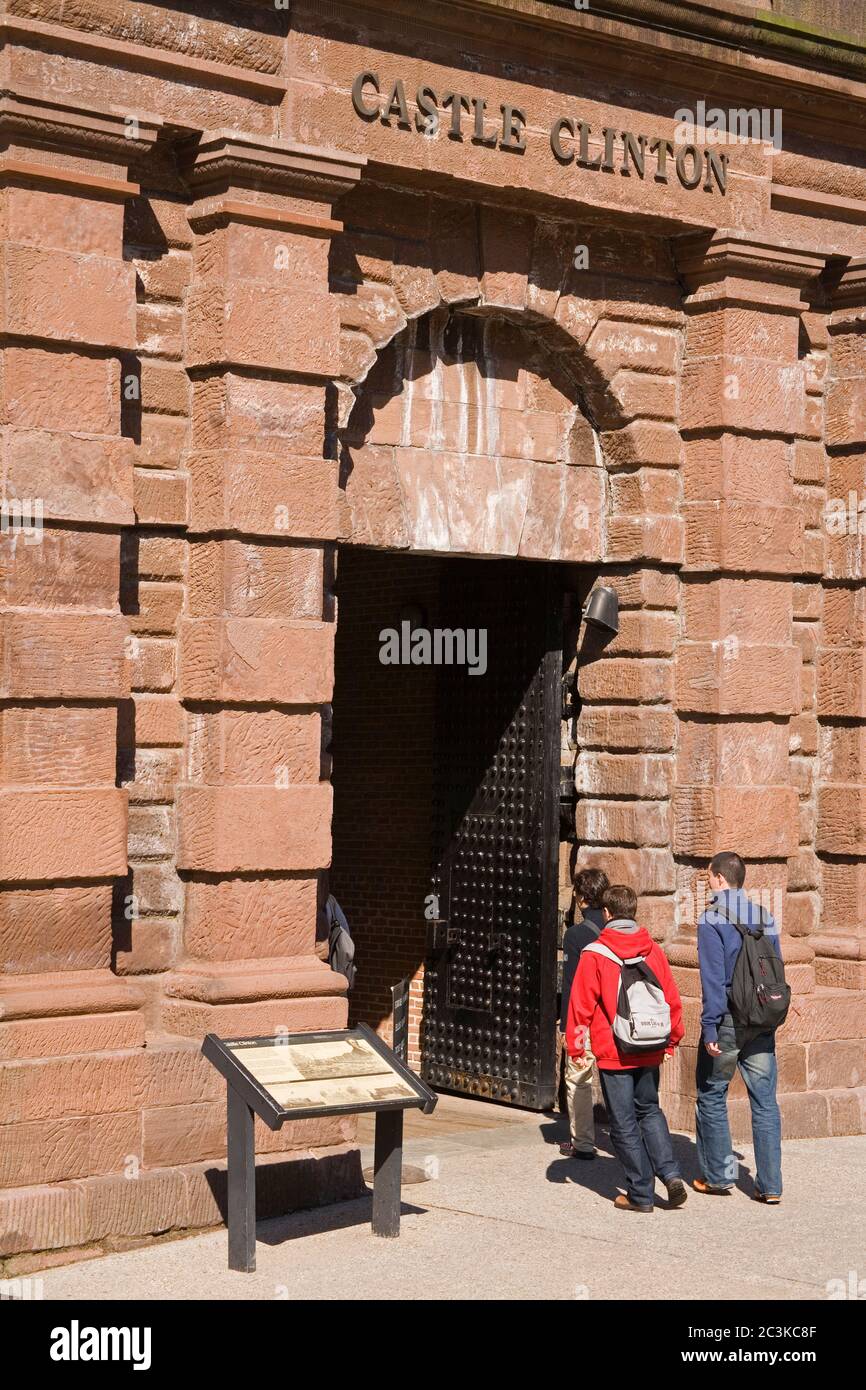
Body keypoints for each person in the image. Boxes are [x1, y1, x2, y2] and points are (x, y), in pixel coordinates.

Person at [566, 883, 686, 1212]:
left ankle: (640, 1193)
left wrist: (576, 1047)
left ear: (606, 913)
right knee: (649, 1110)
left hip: (615, 1049)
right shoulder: (653, 950)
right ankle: (671, 1174)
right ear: (633, 912)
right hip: (650, 1044)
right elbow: (670, 996)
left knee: (623, 1122)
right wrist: (673, 1037)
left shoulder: (595, 953)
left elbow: (580, 1006)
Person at [694, 851, 783, 1203]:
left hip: (729, 1018)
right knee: (764, 1102)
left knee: (713, 1095)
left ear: (718, 878)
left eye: (709, 878)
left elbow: (713, 982)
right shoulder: (765, 916)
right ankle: (770, 1184)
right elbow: (776, 970)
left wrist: (710, 1027)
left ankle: (720, 1176)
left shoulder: (712, 918)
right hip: (761, 1019)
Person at [558, 867, 609, 1158]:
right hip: (615, 1018)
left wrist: (567, 1026)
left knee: (579, 1078)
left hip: (586, 1018)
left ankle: (583, 1143)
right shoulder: (615, 930)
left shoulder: (577, 935)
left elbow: (571, 984)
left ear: (580, 898)